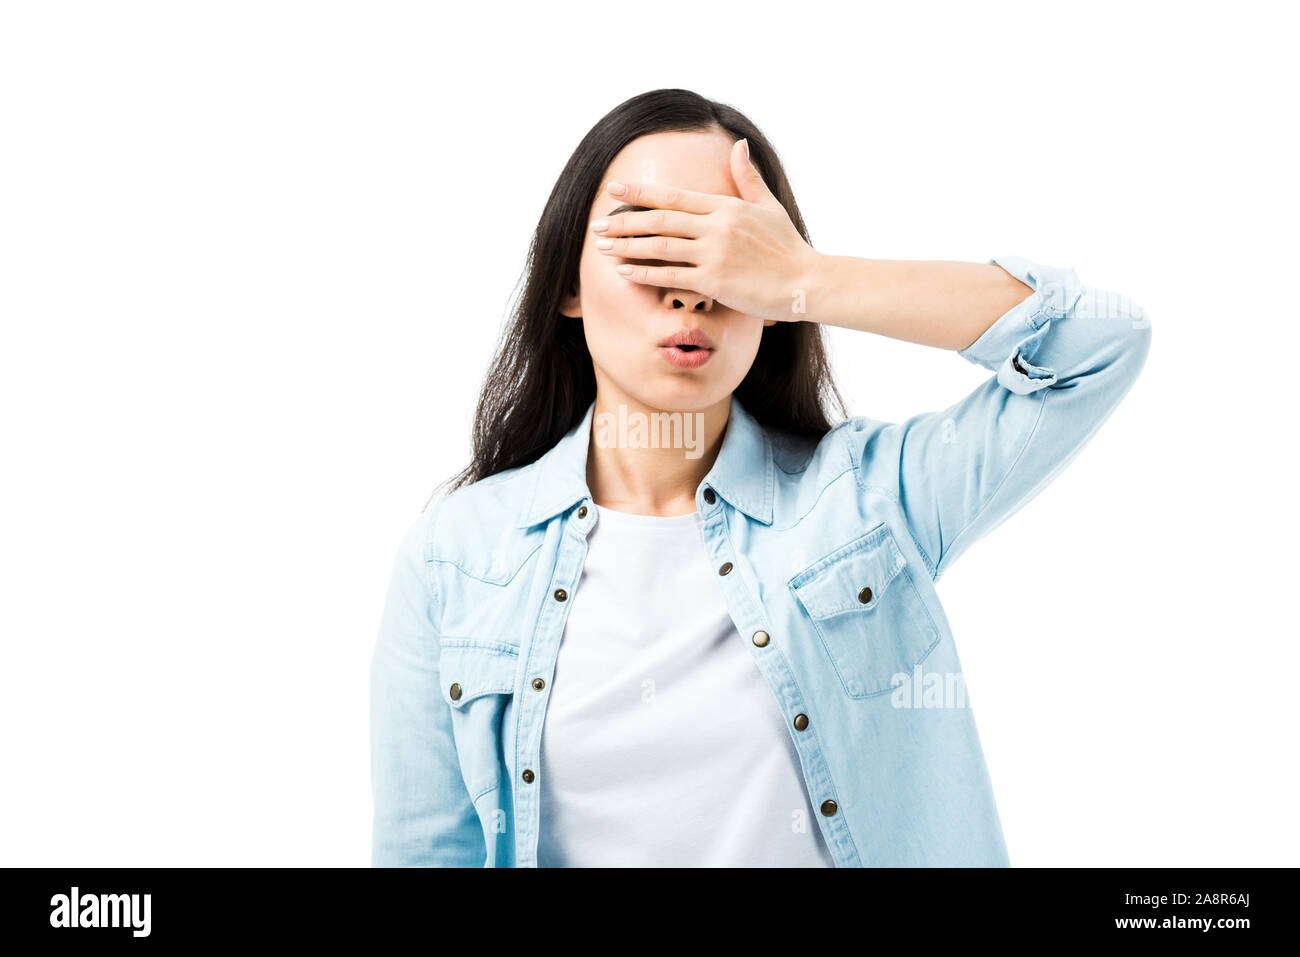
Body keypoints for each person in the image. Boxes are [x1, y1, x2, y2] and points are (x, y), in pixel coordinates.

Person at [369, 88, 1152, 867]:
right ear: (569, 284)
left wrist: (807, 279)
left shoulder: (870, 502)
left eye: (725, 248)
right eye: (649, 238)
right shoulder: (456, 556)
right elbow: (424, 851)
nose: (691, 288)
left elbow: (1097, 342)